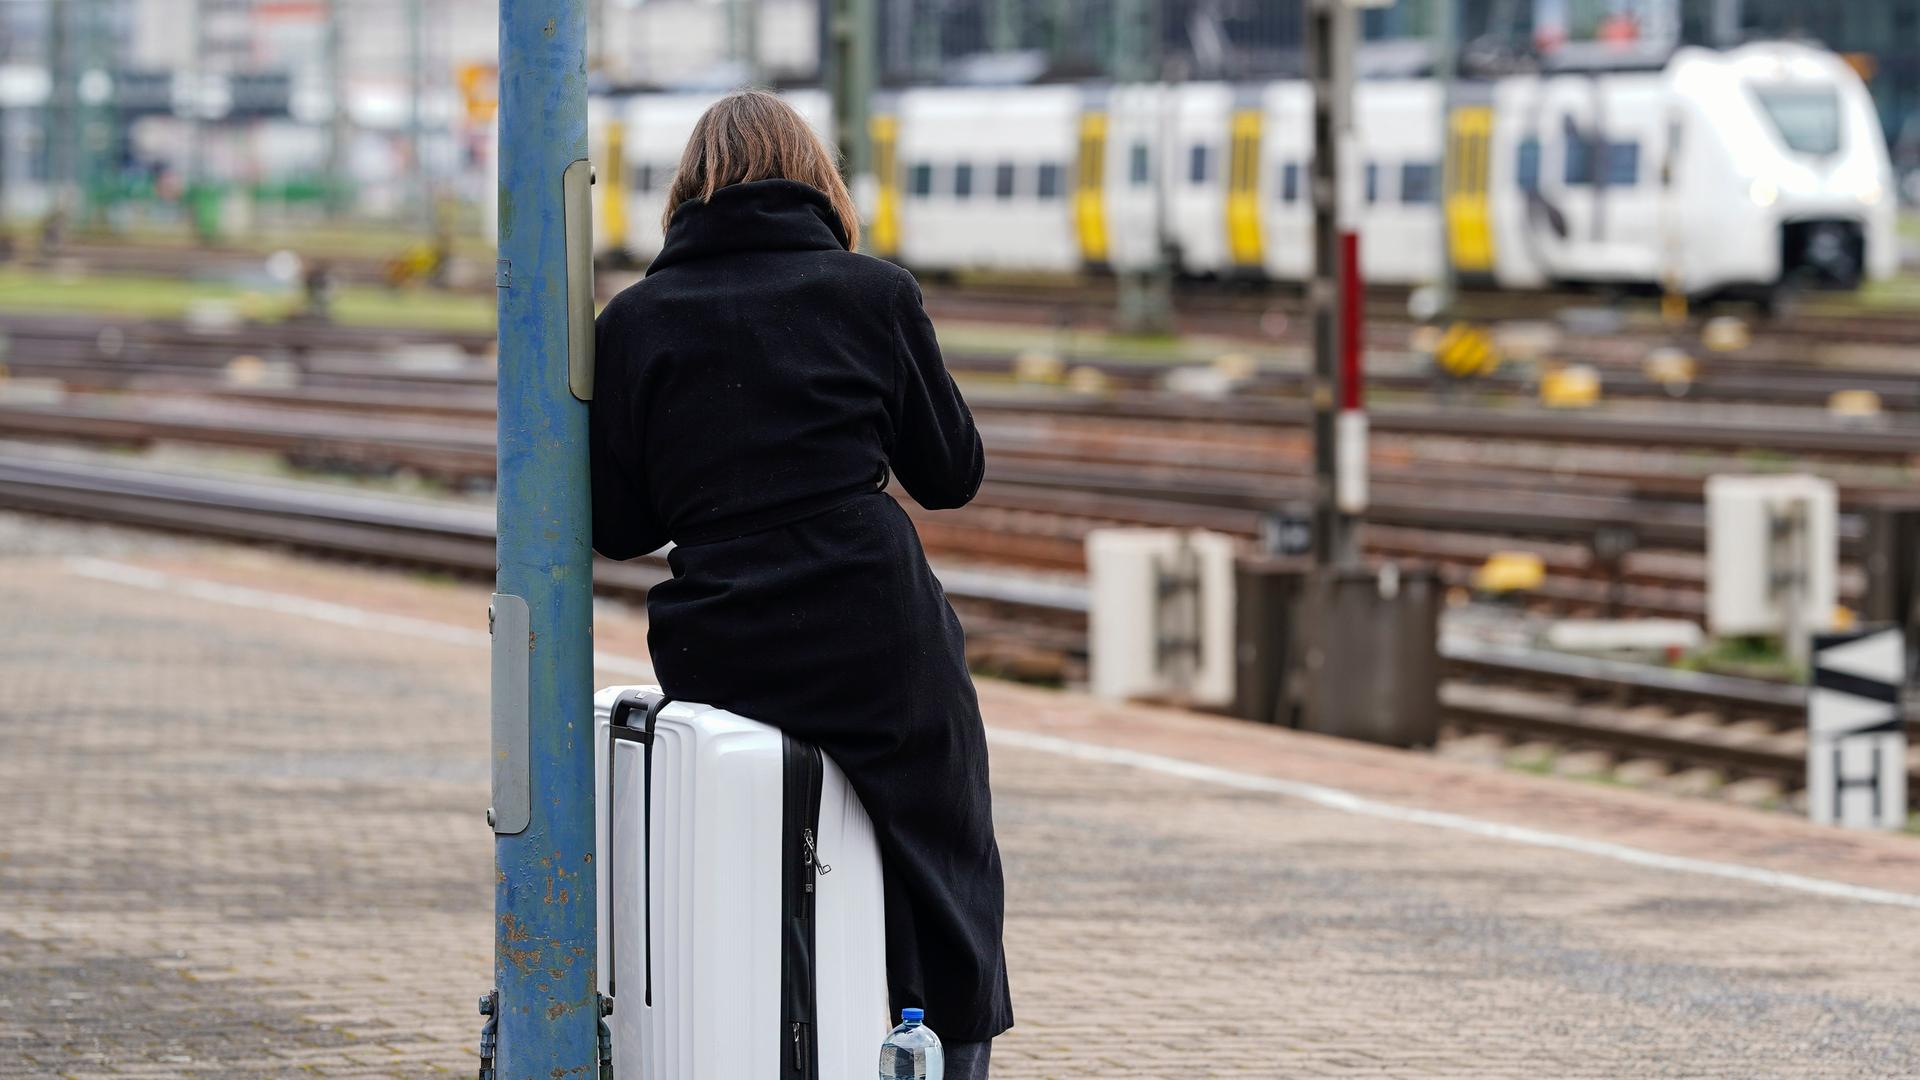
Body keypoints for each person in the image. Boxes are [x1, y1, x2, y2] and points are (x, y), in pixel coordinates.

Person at [588, 89, 1012, 1077]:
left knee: (749, 860)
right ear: (817, 182)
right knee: (936, 859)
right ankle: (938, 1050)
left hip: (723, 627)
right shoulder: (873, 292)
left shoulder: (636, 320)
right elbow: (951, 476)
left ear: (688, 192)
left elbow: (616, 527)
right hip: (876, 624)